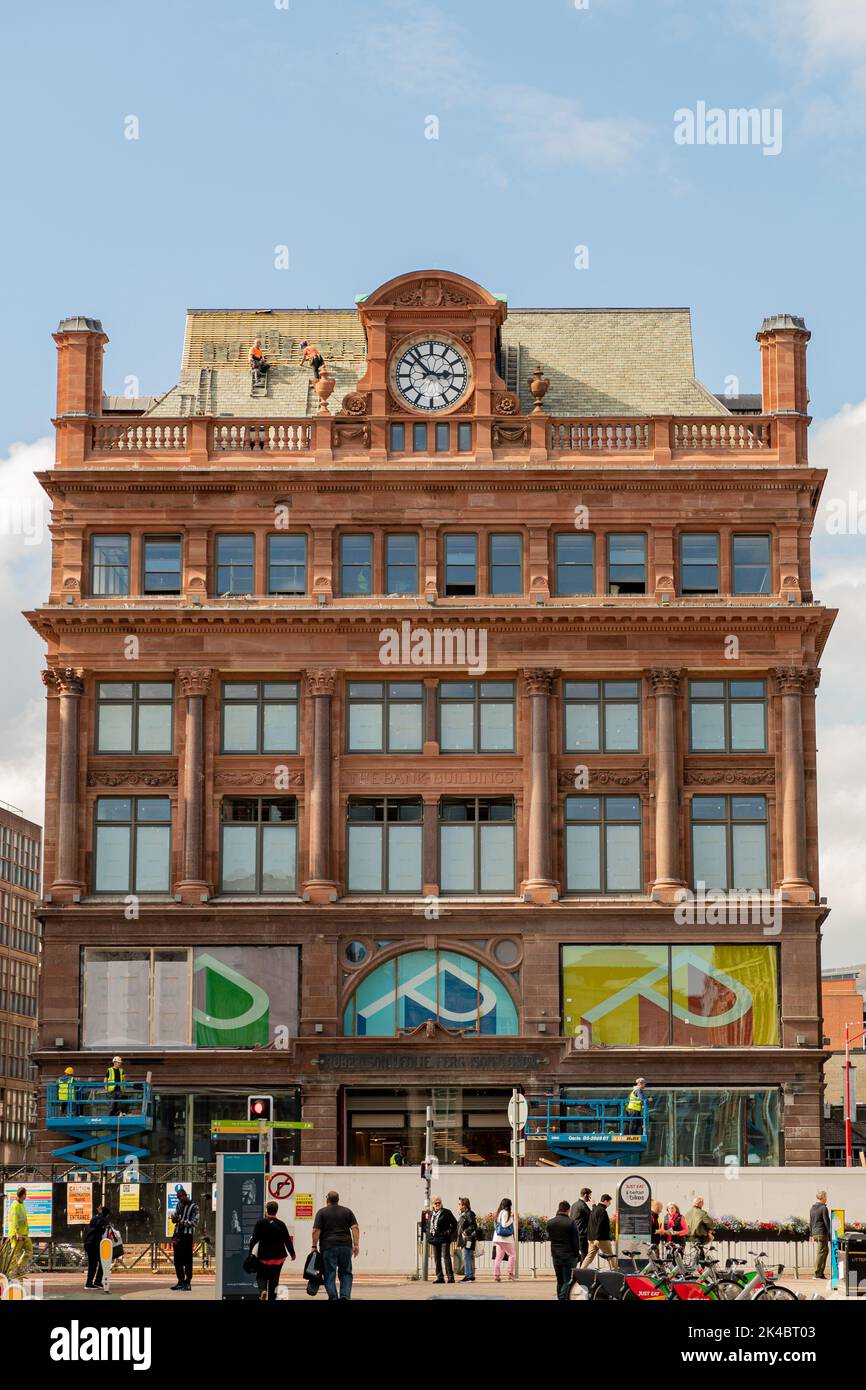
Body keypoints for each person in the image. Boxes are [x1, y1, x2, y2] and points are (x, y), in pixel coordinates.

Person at [312, 1190, 360, 1301]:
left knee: (329, 1273)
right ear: (338, 1199)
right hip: (346, 1246)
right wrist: (356, 1245)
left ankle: (333, 1297)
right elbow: (355, 1228)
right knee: (346, 1272)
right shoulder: (347, 1211)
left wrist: (314, 1246)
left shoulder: (322, 1212)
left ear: (327, 1199)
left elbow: (316, 1231)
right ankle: (345, 1296)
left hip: (328, 1246)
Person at [249, 1200, 296, 1301]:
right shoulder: (281, 1224)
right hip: (279, 1257)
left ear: (267, 1210)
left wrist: (250, 1254)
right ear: (276, 1211)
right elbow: (287, 1241)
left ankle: (262, 1290)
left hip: (263, 1257)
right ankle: (272, 1297)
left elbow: (254, 1240)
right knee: (274, 1279)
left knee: (261, 1276)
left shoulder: (260, 1223)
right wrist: (292, 1254)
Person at [548, 1200, 582, 1300]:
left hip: (555, 1256)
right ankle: (562, 1298)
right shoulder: (571, 1223)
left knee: (559, 1281)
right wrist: (577, 1255)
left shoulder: (550, 1223)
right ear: (568, 1210)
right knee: (567, 1280)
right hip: (568, 1256)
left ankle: (560, 1297)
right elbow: (575, 1242)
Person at [169, 1185, 199, 1291]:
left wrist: (181, 1221)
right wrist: (173, 1219)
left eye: (181, 1196)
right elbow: (176, 1218)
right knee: (177, 1260)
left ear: (186, 1195)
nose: (180, 1199)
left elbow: (194, 1223)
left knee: (187, 1260)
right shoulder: (178, 1204)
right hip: (177, 1234)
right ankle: (180, 1281)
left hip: (187, 1236)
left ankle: (188, 1282)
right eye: (178, 1197)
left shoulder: (194, 1206)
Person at [581, 1193, 617, 1269]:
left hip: (591, 1238)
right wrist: (597, 1238)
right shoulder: (603, 1211)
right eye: (609, 1202)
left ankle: (580, 1271)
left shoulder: (594, 1210)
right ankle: (616, 1274)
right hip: (601, 1239)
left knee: (589, 1257)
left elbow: (594, 1222)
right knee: (610, 1256)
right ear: (605, 1201)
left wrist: (593, 1204)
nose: (609, 1204)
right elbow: (600, 1225)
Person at [428, 1196, 457, 1284]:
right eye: (435, 1203)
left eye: (439, 1202)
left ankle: (450, 1277)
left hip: (444, 1238)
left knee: (446, 1257)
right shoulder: (430, 1214)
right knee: (437, 1258)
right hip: (434, 1238)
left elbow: (454, 1223)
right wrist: (428, 1233)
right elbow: (428, 1224)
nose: (437, 1204)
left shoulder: (446, 1212)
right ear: (432, 1205)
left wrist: (448, 1232)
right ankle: (440, 1277)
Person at [6, 1186, 32, 1278]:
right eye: (25, 1194)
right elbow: (14, 1220)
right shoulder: (15, 1205)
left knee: (29, 1251)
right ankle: (12, 1274)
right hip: (17, 1235)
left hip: (24, 1234)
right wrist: (17, 1233)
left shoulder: (22, 1204)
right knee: (15, 1255)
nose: (26, 1196)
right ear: (22, 1195)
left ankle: (19, 1268)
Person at [83, 1205, 110, 1289]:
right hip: (93, 1244)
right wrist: (105, 1228)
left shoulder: (95, 1218)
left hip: (90, 1243)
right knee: (95, 1263)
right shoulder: (101, 1220)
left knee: (97, 1263)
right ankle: (90, 1283)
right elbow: (99, 1231)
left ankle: (95, 1281)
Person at [492, 1197, 516, 1282]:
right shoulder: (505, 1213)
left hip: (498, 1238)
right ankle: (510, 1273)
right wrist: (512, 1219)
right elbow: (504, 1225)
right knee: (512, 1255)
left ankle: (497, 1275)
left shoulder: (499, 1212)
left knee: (499, 1257)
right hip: (505, 1239)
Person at [810, 1189, 831, 1279]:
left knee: (825, 1251)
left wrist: (811, 1234)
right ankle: (817, 1273)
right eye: (826, 1197)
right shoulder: (823, 1208)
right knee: (821, 1252)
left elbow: (810, 1222)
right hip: (822, 1233)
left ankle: (820, 1273)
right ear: (822, 1197)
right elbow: (827, 1222)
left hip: (815, 1232)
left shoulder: (812, 1208)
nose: (827, 1198)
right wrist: (830, 1234)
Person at [456, 1197, 478, 1283]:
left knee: (466, 1257)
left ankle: (468, 1276)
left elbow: (473, 1226)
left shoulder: (469, 1214)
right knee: (467, 1257)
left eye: (459, 1204)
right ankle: (470, 1275)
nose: (458, 1206)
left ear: (464, 1205)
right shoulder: (463, 1214)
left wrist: (465, 1231)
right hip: (464, 1239)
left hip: (467, 1239)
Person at [570, 1187, 592, 1262]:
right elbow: (592, 1216)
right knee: (584, 1255)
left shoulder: (574, 1205)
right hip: (582, 1234)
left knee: (579, 1254)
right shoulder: (583, 1205)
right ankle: (582, 1272)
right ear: (585, 1195)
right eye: (589, 1196)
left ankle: (577, 1270)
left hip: (574, 1234)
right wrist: (593, 1205)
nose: (590, 1198)